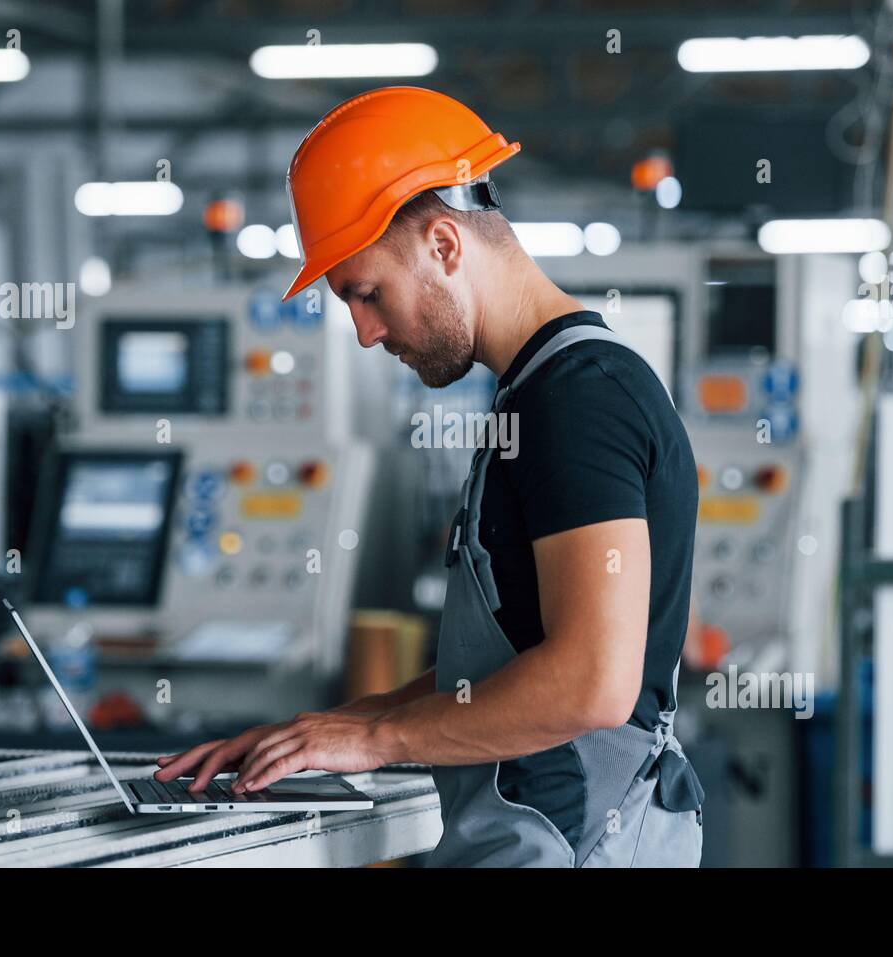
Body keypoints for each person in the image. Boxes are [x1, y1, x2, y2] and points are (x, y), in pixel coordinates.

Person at [156, 86, 705, 867]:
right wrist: (327, 730)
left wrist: (378, 739)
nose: (366, 331)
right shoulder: (540, 391)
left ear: (445, 245)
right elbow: (507, 661)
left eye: (367, 293)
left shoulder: (580, 400)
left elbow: (592, 682)